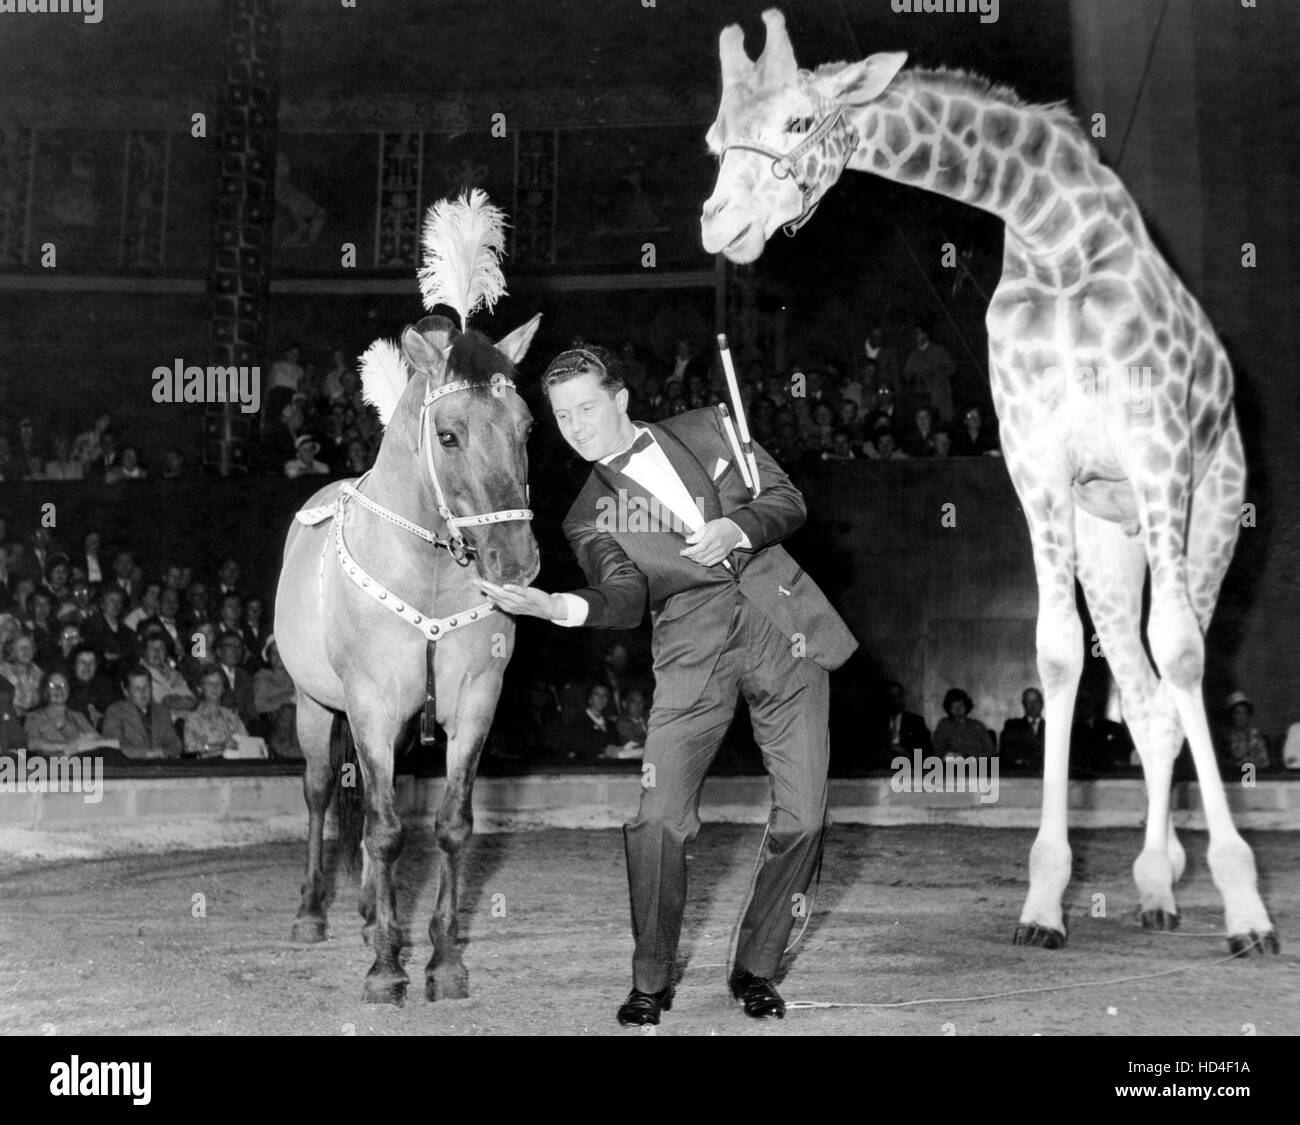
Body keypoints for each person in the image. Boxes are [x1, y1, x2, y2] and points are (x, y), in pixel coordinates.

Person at [476, 345, 857, 1025]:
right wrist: (557, 606)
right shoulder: (586, 514)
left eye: (587, 407)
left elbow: (787, 500)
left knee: (803, 819)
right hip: (691, 653)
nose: (577, 425)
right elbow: (622, 597)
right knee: (657, 818)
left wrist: (736, 526)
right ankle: (650, 978)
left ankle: (757, 968)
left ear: (620, 399)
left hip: (785, 631)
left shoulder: (714, 425)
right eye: (563, 416)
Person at [23, 672, 117, 755]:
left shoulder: (78, 716)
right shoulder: (35, 716)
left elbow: (98, 740)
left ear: (68, 690)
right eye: (52, 686)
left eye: (63, 685)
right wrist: (70, 745)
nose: (58, 689)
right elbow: (32, 744)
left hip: (83, 765)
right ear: (45, 691)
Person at [102, 665, 183, 760]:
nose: (143, 692)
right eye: (137, 688)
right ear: (126, 691)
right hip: (130, 769)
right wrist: (147, 753)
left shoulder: (162, 711)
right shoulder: (115, 711)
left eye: (146, 687)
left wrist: (164, 752)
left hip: (161, 767)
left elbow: (176, 744)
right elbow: (114, 745)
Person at [184, 667, 248, 757]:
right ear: (200, 688)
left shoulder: (233, 716)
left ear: (223, 689)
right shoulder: (193, 719)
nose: (214, 687)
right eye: (209, 683)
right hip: (209, 767)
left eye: (218, 683)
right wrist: (221, 747)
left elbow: (247, 743)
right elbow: (192, 750)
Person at [253, 637, 300, 759]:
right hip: (274, 724)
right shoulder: (263, 677)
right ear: (268, 656)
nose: (278, 656)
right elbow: (260, 706)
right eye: (274, 652)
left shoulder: (297, 677)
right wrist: (289, 698)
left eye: (281, 652)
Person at [932, 688, 994, 759]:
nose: (958, 710)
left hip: (976, 765)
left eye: (961, 705)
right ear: (949, 708)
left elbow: (991, 751)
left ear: (966, 706)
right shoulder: (943, 726)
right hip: (951, 766)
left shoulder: (977, 726)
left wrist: (972, 756)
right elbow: (937, 750)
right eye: (954, 706)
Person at [879, 680, 931, 763]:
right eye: (891, 697)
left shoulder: (916, 722)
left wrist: (906, 754)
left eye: (898, 696)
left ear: (903, 698)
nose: (895, 700)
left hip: (908, 767)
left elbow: (926, 752)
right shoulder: (878, 722)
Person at [1217, 691, 1270, 771]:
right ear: (1232, 715)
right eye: (1237, 713)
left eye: (1244, 713)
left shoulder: (1256, 735)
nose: (1241, 717)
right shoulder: (1225, 739)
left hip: (1254, 777)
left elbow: (1263, 763)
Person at [67, 645, 117, 728]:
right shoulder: (67, 691)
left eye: (91, 662)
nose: (87, 666)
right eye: (82, 662)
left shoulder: (105, 688)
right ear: (74, 665)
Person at [1000, 687, 1046, 771]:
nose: (1033, 705)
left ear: (1042, 704)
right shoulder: (1012, 726)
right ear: (1024, 704)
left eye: (1036, 701)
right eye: (1029, 702)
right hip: (1020, 773)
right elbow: (1007, 754)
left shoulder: (1050, 728)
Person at [1, 631, 44, 716]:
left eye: (28, 647)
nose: (26, 651)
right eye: (21, 648)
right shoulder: (2, 674)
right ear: (12, 652)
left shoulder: (41, 676)